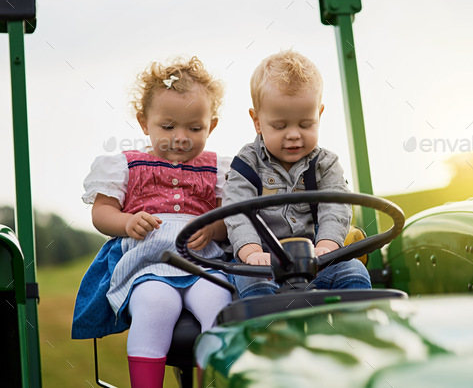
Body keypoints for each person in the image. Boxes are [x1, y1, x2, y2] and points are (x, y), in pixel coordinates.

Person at [71, 56, 231, 388]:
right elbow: (101, 212)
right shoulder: (126, 166)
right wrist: (126, 222)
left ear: (211, 126)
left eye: (195, 128)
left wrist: (213, 228)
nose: (181, 138)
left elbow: (228, 220)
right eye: (168, 127)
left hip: (204, 264)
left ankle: (216, 381)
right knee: (155, 305)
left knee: (219, 302)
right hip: (148, 264)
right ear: (145, 123)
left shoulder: (219, 169)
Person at [223, 49, 371, 298]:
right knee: (252, 283)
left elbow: (335, 206)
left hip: (316, 261)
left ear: (319, 114)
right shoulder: (246, 165)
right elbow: (238, 211)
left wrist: (327, 246)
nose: (293, 134)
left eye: (305, 124)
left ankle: (354, 331)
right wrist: (251, 252)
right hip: (263, 264)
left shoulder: (326, 164)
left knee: (353, 271)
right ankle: (269, 335)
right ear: (257, 121)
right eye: (280, 126)